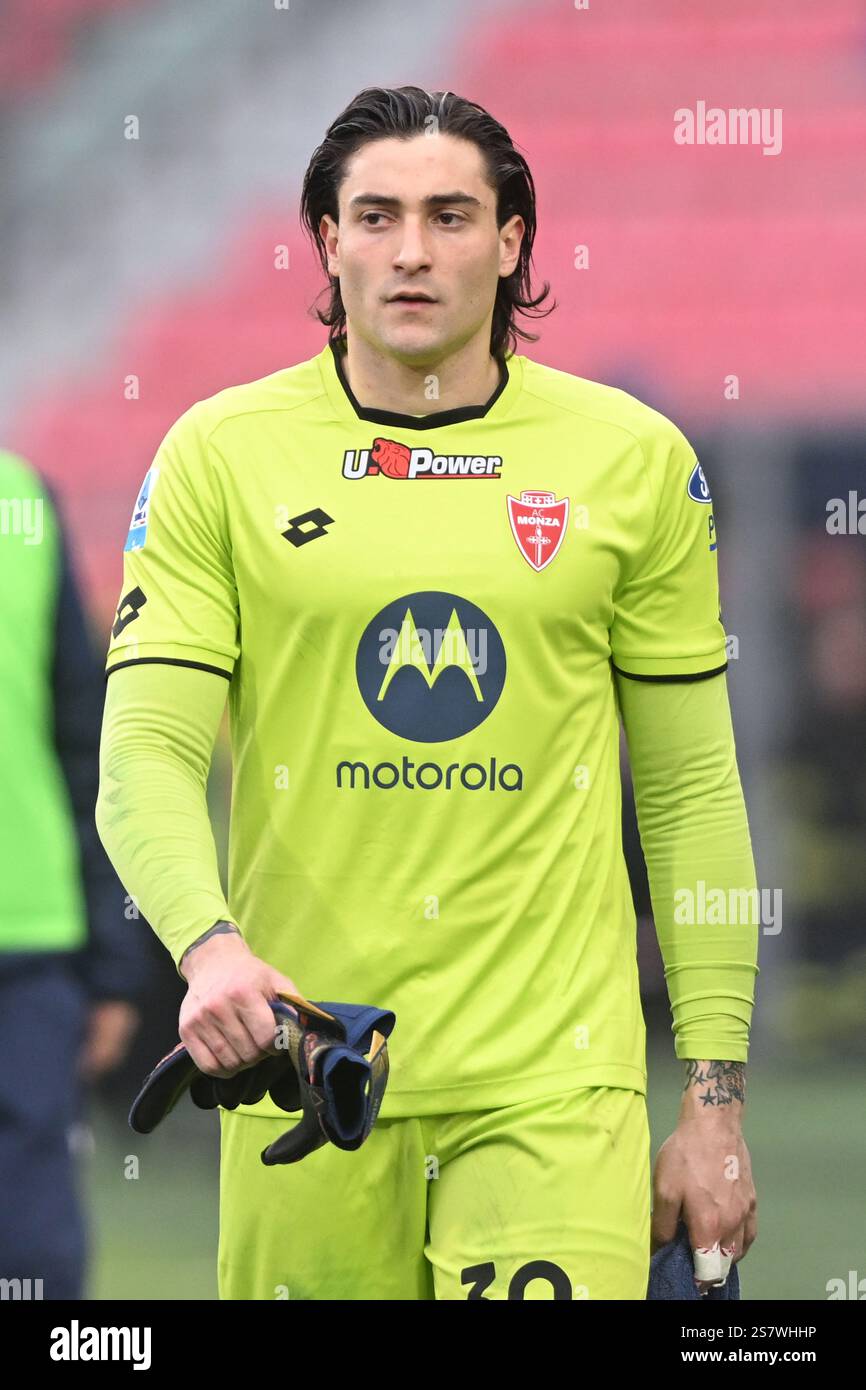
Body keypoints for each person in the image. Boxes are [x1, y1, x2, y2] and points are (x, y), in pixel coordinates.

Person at [95, 86, 759, 1301]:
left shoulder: (631, 459)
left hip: (555, 1085)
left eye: (452, 216)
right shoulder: (217, 455)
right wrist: (211, 948)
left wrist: (712, 1101)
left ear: (510, 244)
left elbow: (690, 790)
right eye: (377, 215)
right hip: (306, 1067)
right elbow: (141, 754)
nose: (411, 250)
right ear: (328, 240)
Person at [0, 449, 145, 1300]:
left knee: (33, 1257)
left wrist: (114, 967)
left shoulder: (21, 500)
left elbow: (84, 741)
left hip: (29, 957)